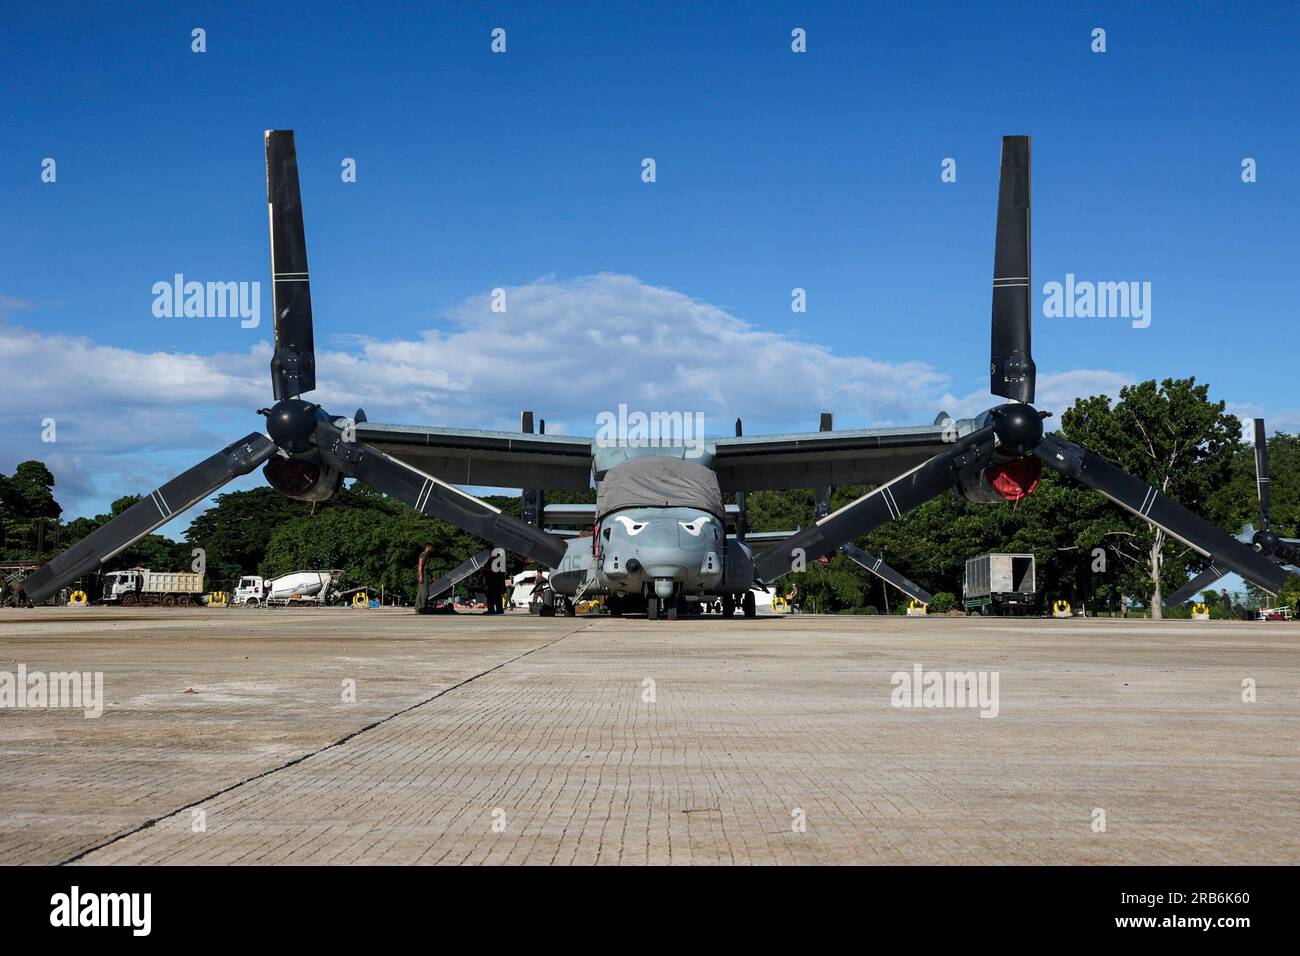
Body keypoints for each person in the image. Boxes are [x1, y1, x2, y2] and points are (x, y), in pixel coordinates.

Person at [414, 544, 434, 614]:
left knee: (423, 591)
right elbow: (420, 566)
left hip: (425, 573)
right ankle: (421, 608)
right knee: (424, 592)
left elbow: (427, 567)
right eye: (431, 547)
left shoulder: (427, 555)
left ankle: (420, 608)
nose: (432, 549)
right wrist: (421, 576)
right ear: (428, 547)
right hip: (423, 574)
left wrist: (431, 576)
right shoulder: (423, 554)